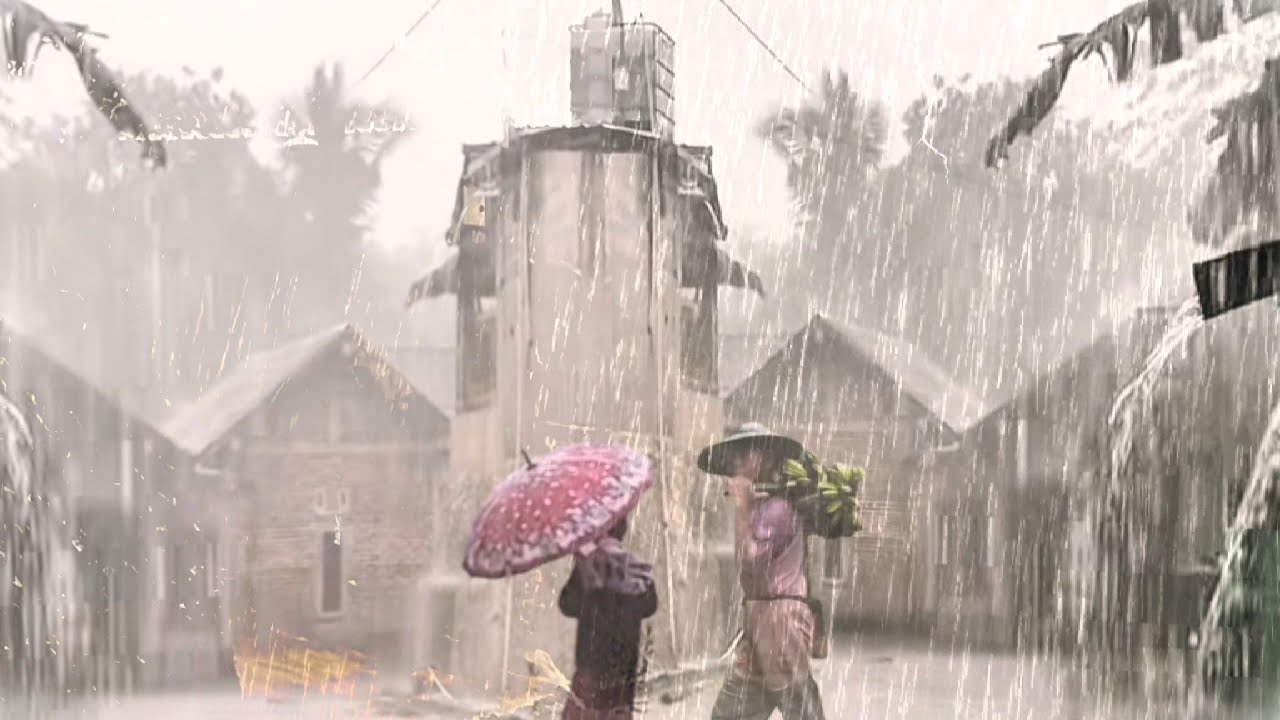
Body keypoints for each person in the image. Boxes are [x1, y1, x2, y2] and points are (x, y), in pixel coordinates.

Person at [697, 423, 826, 720]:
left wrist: (742, 508)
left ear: (767, 459)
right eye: (734, 456)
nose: (736, 462)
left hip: (781, 622)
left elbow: (751, 561)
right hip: (760, 620)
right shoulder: (761, 506)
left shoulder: (778, 509)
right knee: (729, 714)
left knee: (800, 706)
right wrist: (746, 507)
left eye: (745, 454)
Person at [558, 515, 659, 720]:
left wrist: (583, 581)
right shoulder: (634, 567)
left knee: (584, 711)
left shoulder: (587, 566)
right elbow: (649, 606)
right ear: (622, 531)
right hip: (623, 667)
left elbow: (567, 605)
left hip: (590, 663)